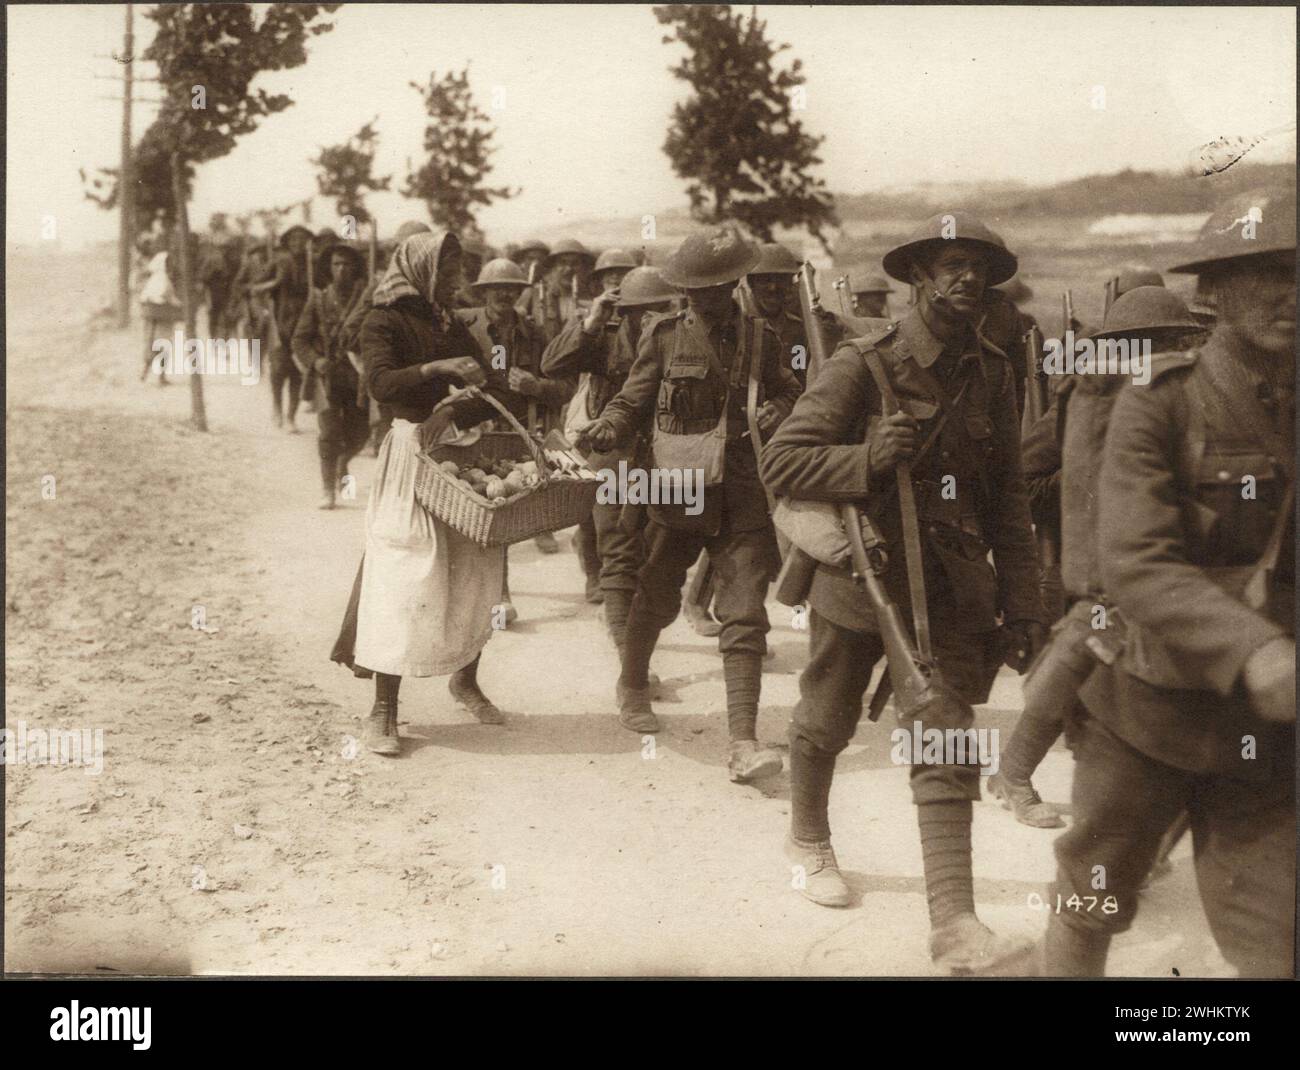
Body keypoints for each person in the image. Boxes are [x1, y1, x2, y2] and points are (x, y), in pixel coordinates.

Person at [760, 213, 1044, 974]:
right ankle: (810, 839)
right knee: (826, 718)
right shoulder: (865, 363)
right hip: (863, 576)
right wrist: (865, 459)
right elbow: (783, 463)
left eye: (978, 267)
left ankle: (954, 922)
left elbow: (1009, 503)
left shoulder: (993, 369)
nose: (967, 280)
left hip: (950, 584)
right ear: (918, 275)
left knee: (944, 732)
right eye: (950, 265)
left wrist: (1024, 602)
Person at [1041, 184, 1295, 978]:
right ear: (1211, 293)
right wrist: (1254, 647)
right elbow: (1138, 560)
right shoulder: (1159, 403)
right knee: (1093, 897)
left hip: (1265, 732)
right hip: (1146, 711)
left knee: (1274, 933)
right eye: (1264, 273)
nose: (1290, 293)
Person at [581, 227, 801, 784]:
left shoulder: (762, 338)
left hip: (743, 491)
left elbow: (790, 389)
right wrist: (608, 425)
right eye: (696, 289)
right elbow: (634, 397)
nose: (706, 297)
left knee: (747, 609)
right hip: (676, 486)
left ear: (733, 284)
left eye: (717, 287)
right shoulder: (662, 335)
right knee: (655, 593)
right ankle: (632, 683)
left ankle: (744, 740)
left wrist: (778, 406)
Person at [992, 286, 1206, 828]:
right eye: (1159, 343)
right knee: (1083, 653)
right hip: (1105, 566)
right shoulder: (1089, 398)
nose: (1172, 353)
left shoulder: (1173, 398)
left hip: (1157, 558)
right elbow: (1030, 476)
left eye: (1177, 342)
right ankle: (1018, 776)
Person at [331, 231, 518, 755]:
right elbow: (382, 385)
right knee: (403, 572)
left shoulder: (450, 323)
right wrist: (438, 371)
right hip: (409, 453)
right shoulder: (383, 320)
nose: (457, 276)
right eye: (449, 266)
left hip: (454, 453)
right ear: (422, 268)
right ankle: (384, 710)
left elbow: (496, 391)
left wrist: (454, 410)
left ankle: (466, 678)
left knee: (475, 568)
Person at [543, 265, 677, 650]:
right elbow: (552, 366)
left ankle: (632, 628)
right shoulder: (608, 336)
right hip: (614, 449)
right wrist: (592, 322)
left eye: (659, 309)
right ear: (626, 313)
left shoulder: (680, 336)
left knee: (656, 553)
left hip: (668, 452)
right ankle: (627, 654)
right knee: (618, 546)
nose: (651, 319)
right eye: (641, 311)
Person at [458, 257, 575, 592]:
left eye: (511, 288)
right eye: (496, 288)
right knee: (476, 515)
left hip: (518, 434)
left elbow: (566, 388)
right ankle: (491, 590)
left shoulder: (536, 335)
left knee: (505, 511)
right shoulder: (463, 327)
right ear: (484, 292)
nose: (504, 295)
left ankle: (500, 590)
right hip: (474, 432)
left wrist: (535, 386)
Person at [343, 221, 433, 454]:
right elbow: (350, 333)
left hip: (426, 385)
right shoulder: (381, 286)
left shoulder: (433, 287)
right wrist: (377, 356)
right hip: (393, 383)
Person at [292, 242, 370, 510]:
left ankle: (343, 462)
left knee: (360, 433)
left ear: (356, 268)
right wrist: (316, 361)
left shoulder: (365, 299)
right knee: (329, 433)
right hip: (327, 378)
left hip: (357, 376)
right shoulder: (319, 300)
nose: (342, 270)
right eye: (336, 264)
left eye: (347, 264)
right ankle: (328, 490)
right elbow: (299, 340)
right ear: (329, 268)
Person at [249, 224, 314, 432]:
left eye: (302, 240)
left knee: (297, 371)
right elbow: (254, 288)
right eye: (293, 240)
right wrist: (275, 283)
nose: (298, 244)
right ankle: (277, 407)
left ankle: (290, 417)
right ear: (287, 242)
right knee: (278, 370)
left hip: (303, 325)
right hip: (280, 323)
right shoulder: (279, 262)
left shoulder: (312, 264)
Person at [517, 238, 594, 343]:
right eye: (562, 263)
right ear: (553, 267)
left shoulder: (592, 299)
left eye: (575, 263)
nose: (568, 269)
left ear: (583, 268)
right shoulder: (534, 294)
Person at [138, 242, 181, 386]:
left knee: (150, 344)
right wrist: (178, 305)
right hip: (162, 317)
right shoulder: (162, 279)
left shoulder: (153, 279)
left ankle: (145, 373)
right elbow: (164, 296)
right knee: (163, 345)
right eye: (168, 263)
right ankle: (160, 377)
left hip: (152, 317)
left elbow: (145, 297)